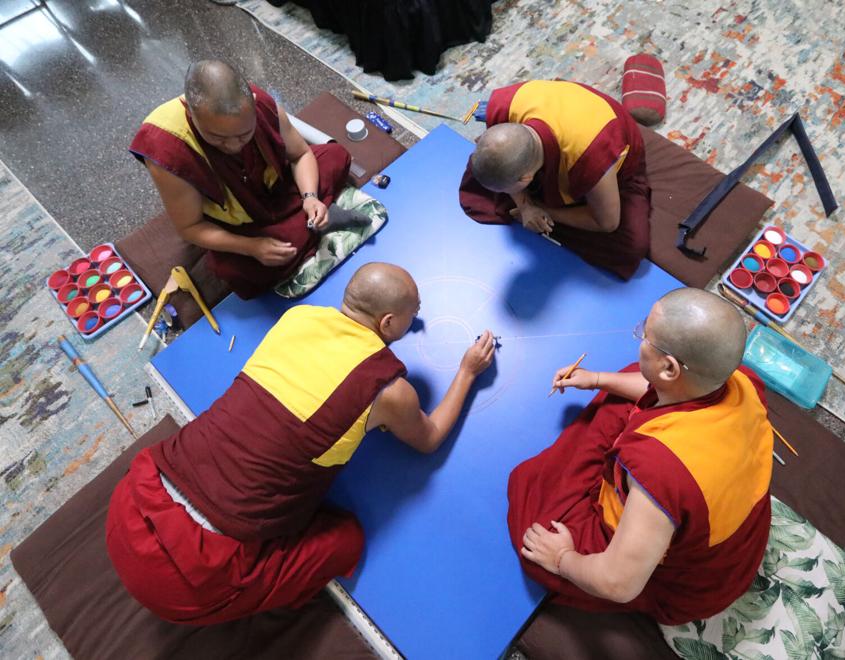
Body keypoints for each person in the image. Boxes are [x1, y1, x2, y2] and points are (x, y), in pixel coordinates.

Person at [106, 263, 495, 624]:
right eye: (414, 313)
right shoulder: (389, 392)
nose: (417, 319)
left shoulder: (298, 317)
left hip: (133, 502)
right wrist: (467, 372)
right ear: (389, 322)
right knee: (346, 539)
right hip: (187, 577)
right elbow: (428, 440)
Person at [507, 288, 773, 624]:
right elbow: (664, 388)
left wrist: (562, 557)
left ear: (670, 368)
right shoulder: (744, 383)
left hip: (692, 583)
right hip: (730, 519)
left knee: (533, 528)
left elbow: (618, 584)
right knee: (632, 376)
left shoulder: (660, 473)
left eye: (645, 334)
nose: (639, 337)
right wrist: (597, 380)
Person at [130, 59, 363, 299]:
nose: (232, 146)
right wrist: (251, 248)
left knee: (336, 155)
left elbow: (301, 154)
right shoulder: (166, 144)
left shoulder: (260, 103)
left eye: (244, 134)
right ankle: (312, 225)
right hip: (237, 223)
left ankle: (307, 222)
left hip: (274, 190)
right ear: (190, 111)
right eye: (217, 137)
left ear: (252, 105)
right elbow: (190, 228)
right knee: (235, 273)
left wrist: (311, 197)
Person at [459, 80, 651, 280]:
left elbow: (607, 223)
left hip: (608, 142)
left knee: (631, 247)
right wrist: (525, 207)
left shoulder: (591, 155)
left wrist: (544, 212)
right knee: (487, 170)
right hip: (561, 119)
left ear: (527, 178)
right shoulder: (507, 105)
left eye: (509, 189)